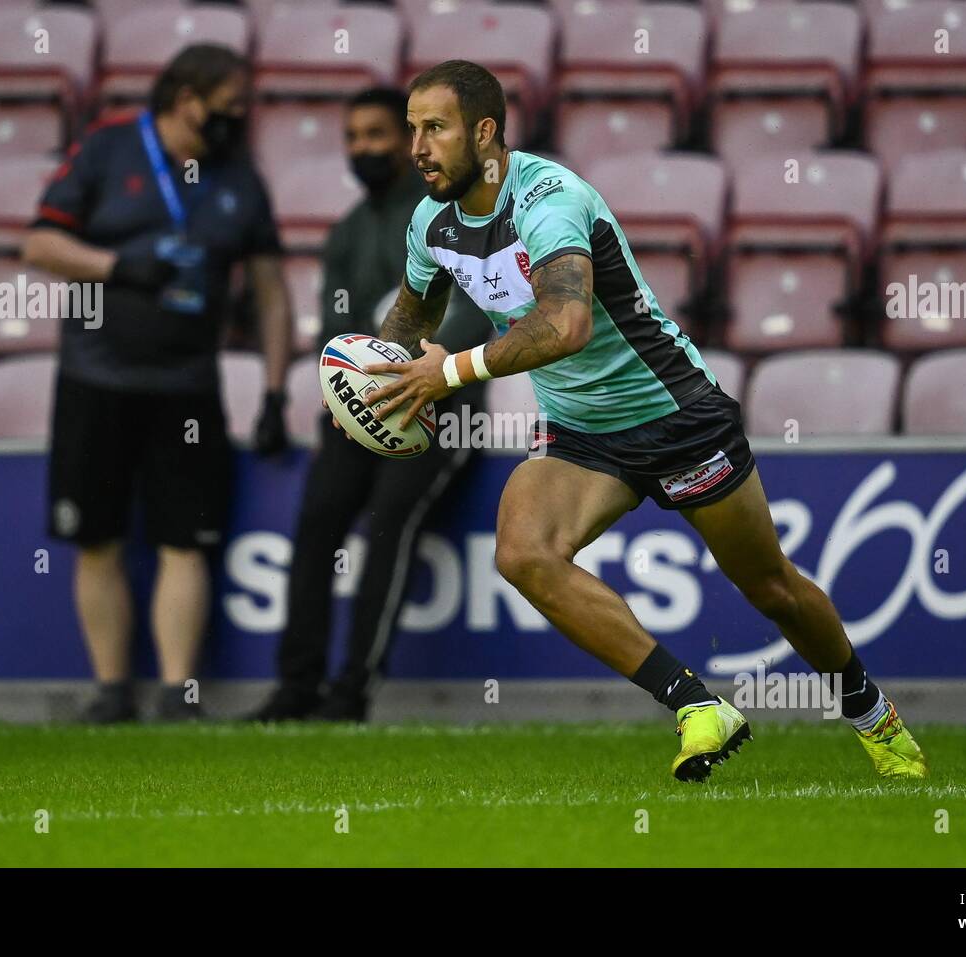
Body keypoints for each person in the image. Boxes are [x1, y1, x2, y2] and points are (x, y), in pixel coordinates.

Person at [361, 60, 928, 780]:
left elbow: (564, 324)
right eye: (412, 129)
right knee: (523, 552)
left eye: (433, 128)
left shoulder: (548, 198)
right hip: (580, 432)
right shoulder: (430, 222)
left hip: (675, 414)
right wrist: (379, 376)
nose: (416, 147)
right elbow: (415, 311)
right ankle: (697, 707)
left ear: (484, 132)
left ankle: (872, 714)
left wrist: (446, 371)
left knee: (770, 588)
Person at [22, 44, 293, 722]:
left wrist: (273, 389)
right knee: (96, 536)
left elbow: (271, 292)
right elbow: (39, 245)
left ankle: (179, 693)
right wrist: (116, 267)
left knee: (186, 538)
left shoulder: (240, 177)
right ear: (185, 99)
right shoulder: (107, 148)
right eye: (228, 107)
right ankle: (112, 691)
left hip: (187, 385)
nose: (238, 119)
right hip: (96, 376)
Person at [251, 88, 489, 723]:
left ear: (410, 142)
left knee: (388, 521)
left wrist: (413, 376)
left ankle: (351, 692)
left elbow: (470, 320)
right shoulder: (346, 232)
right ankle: (296, 687)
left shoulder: (449, 216)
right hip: (366, 405)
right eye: (353, 137)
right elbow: (338, 331)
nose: (365, 148)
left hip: (443, 408)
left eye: (378, 135)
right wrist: (345, 391)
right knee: (317, 522)